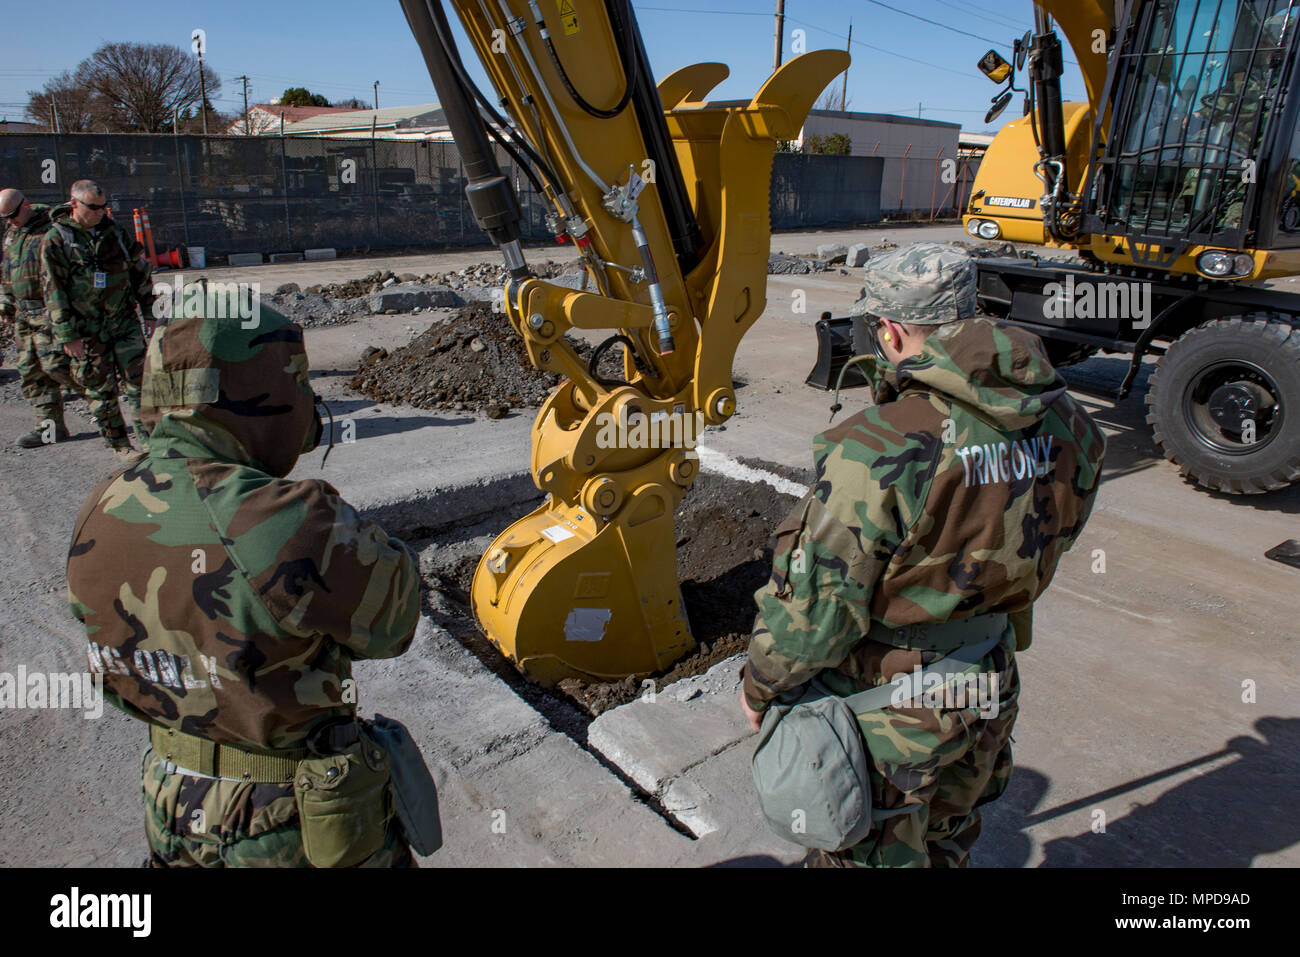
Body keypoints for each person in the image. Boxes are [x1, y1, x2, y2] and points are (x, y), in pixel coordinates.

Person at [741, 242, 1105, 867]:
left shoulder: (882, 444)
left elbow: (815, 605)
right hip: (988, 685)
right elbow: (1058, 535)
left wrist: (760, 688)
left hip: (893, 715)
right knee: (947, 841)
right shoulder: (1069, 419)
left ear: (889, 330)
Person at [66, 303, 424, 867]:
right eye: (297, 380)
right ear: (257, 392)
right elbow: (394, 623)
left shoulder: (102, 503)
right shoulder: (288, 517)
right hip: (290, 821)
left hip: (170, 801)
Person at [42, 179, 155, 461]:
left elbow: (139, 272)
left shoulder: (114, 233)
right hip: (88, 330)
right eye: (94, 208)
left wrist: (150, 312)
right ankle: (120, 446)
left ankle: (152, 443)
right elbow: (53, 291)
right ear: (74, 204)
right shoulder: (56, 239)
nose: (100, 212)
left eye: (104, 207)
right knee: (100, 389)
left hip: (124, 323)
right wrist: (68, 335)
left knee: (141, 384)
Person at [0, 188, 79, 448]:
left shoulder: (52, 229)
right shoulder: (13, 233)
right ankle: (50, 428)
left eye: (12, 215)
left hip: (48, 311)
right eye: (5, 218)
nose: (9, 221)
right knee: (32, 372)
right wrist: (6, 303)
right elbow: (7, 269)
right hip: (23, 315)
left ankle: (108, 410)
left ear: (26, 205)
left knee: (58, 367)